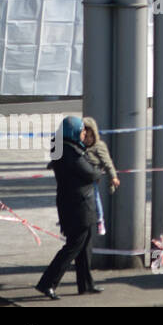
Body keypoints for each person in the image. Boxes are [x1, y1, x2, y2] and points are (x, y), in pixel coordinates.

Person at [35, 116, 104, 299]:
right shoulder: (69, 151)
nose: (84, 134)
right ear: (73, 132)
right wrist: (99, 171)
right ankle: (47, 283)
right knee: (73, 246)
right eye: (82, 131)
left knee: (85, 245)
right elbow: (89, 173)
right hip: (77, 206)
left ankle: (86, 284)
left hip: (80, 203)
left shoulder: (67, 147)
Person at [81, 117, 121, 235]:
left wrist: (113, 176)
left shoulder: (99, 146)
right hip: (80, 177)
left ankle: (100, 220)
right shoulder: (79, 146)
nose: (88, 140)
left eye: (91, 136)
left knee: (95, 197)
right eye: (85, 136)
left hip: (91, 176)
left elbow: (108, 162)